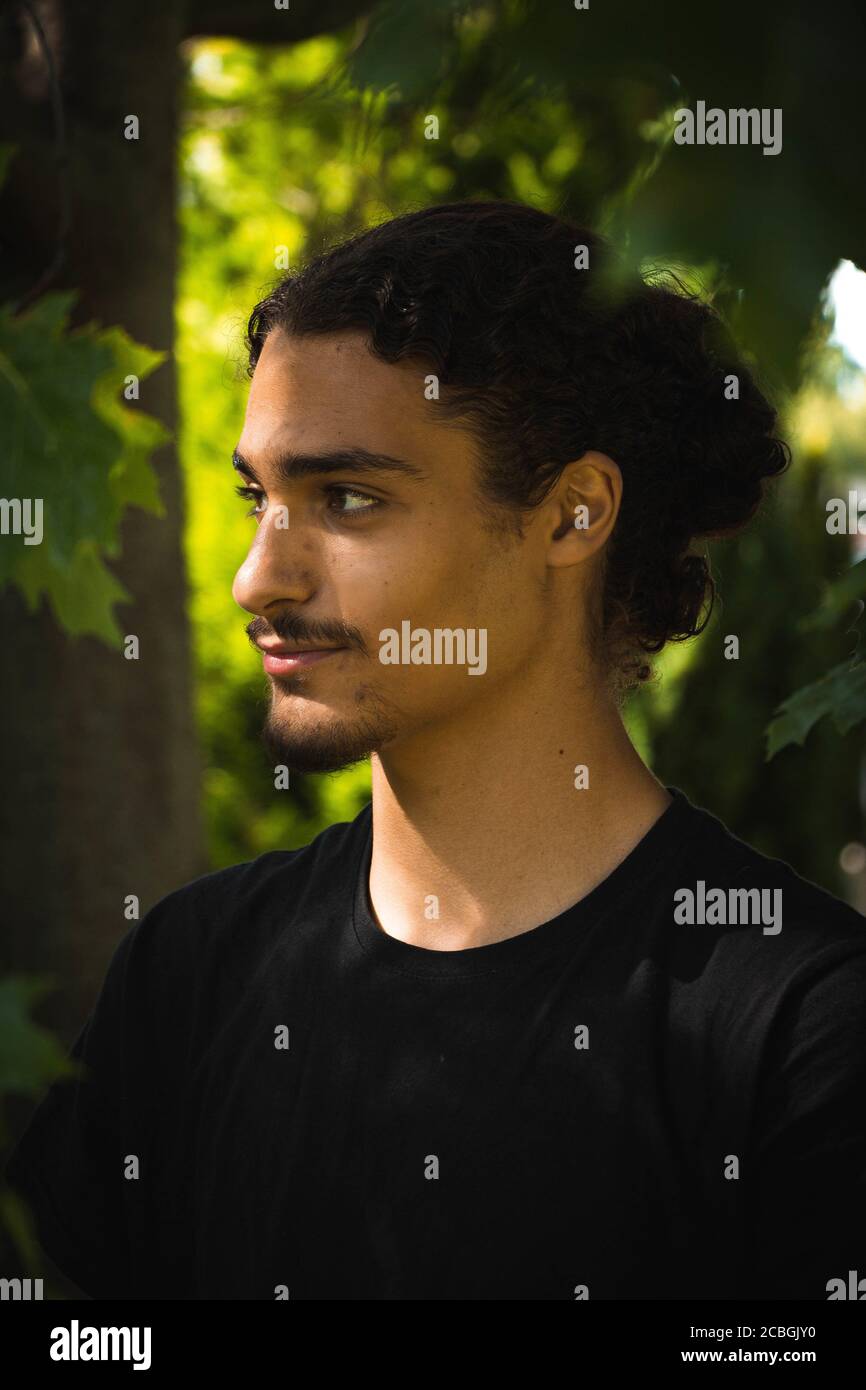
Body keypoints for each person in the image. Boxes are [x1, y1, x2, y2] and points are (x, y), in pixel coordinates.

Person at [6, 201, 866, 1300]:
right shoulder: (191, 974)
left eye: (347, 498)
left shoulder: (800, 1031)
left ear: (571, 516)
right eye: (257, 498)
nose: (257, 580)